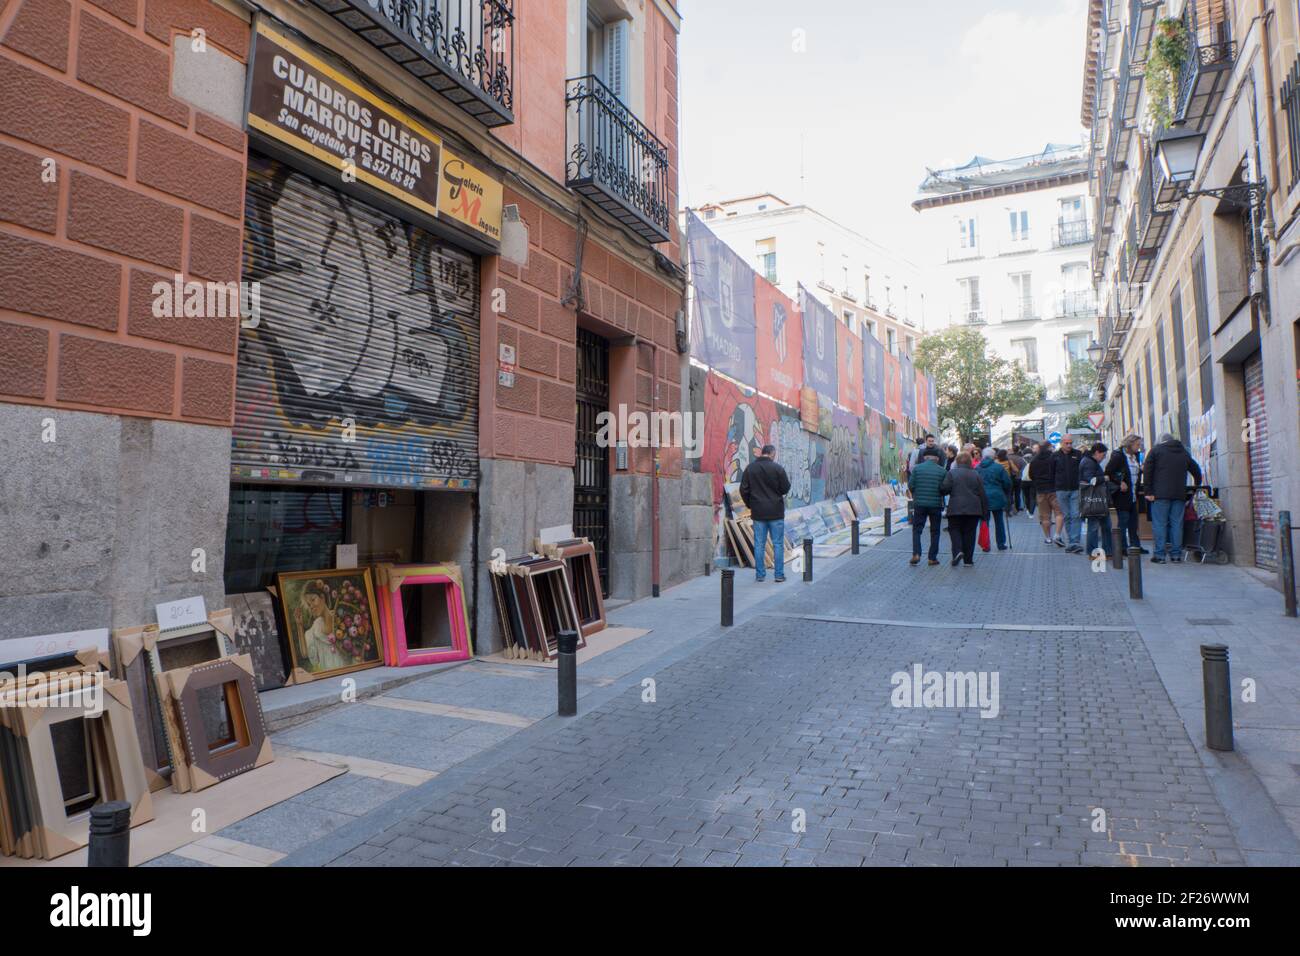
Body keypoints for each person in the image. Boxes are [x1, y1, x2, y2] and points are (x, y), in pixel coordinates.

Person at [1142, 432, 1202, 563]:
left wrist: (1148, 491)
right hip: (1179, 494)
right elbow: (1196, 469)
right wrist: (1197, 485)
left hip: (1159, 495)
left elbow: (1147, 471)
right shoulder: (1183, 452)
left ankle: (1160, 556)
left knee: (1160, 525)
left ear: (1161, 441)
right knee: (1177, 524)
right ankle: (1176, 555)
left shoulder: (1156, 451)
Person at [739, 443, 792, 582]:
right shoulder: (778, 469)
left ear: (762, 452)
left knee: (759, 544)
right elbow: (786, 488)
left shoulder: (750, 469)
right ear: (772, 453)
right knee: (778, 544)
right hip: (776, 512)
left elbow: (743, 490)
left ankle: (760, 575)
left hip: (758, 513)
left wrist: (750, 504)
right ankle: (779, 575)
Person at [941, 452, 989, 566]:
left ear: (957, 462)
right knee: (970, 533)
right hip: (974, 509)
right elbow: (982, 494)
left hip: (955, 508)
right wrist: (985, 512)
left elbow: (945, 489)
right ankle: (968, 560)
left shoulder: (951, 473)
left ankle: (957, 551)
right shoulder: (976, 474)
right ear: (969, 462)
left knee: (955, 530)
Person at [1105, 434, 1146, 554]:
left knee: (1133, 522)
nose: (1139, 447)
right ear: (1130, 444)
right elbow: (1109, 472)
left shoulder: (1136, 456)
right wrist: (1120, 482)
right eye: (1137, 445)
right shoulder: (1118, 456)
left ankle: (1135, 546)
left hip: (1133, 493)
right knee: (1123, 521)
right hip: (1122, 495)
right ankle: (1122, 547)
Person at [907, 446, 947, 566]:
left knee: (917, 530)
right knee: (935, 531)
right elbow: (944, 489)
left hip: (919, 504)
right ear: (937, 459)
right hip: (935, 505)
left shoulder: (917, 469)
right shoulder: (942, 471)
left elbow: (911, 485)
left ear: (925, 458)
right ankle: (932, 558)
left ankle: (916, 554)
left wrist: (917, 494)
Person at [1080, 442, 1114, 558]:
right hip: (1094, 500)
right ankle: (1093, 552)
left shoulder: (1090, 461)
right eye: (1103, 455)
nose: (1104, 458)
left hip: (1097, 500)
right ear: (1097, 453)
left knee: (1105, 526)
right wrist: (1104, 478)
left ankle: (1108, 551)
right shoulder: (1089, 463)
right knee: (1094, 527)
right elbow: (1091, 480)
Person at [1053, 434, 1084, 553]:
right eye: (1067, 443)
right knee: (1067, 516)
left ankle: (1074, 541)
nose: (1069, 445)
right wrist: (1054, 487)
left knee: (1076, 514)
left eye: (1071, 443)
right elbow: (1051, 472)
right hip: (1061, 490)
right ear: (1061, 443)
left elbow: (1082, 469)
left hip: (1075, 489)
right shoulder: (1055, 456)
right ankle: (1071, 541)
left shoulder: (1077, 454)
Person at [978, 446, 1012, 551]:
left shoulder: (977, 468)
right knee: (999, 521)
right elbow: (1007, 483)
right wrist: (1006, 492)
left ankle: (985, 545)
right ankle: (1001, 544)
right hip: (997, 496)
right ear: (993, 456)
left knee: (984, 521)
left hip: (982, 498)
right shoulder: (999, 467)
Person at [1029, 442, 1059, 544]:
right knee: (1059, 513)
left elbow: (1031, 475)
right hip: (1054, 489)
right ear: (1049, 447)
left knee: (1045, 516)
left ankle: (1048, 538)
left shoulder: (1034, 460)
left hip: (1041, 490)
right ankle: (1058, 535)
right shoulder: (1053, 458)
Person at [1020, 443, 1038, 516]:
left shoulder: (1021, 459)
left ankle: (1028, 508)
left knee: (1026, 496)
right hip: (1033, 480)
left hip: (1024, 480)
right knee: (1033, 496)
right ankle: (1031, 511)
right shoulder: (1035, 459)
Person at [1008, 446, 1027, 514]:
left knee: (1010, 493)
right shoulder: (1020, 459)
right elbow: (1024, 467)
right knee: (1017, 493)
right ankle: (1018, 507)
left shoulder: (1007, 458)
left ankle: (1010, 507)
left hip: (1009, 477)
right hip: (1018, 478)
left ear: (1012, 450)